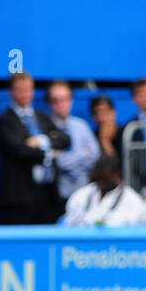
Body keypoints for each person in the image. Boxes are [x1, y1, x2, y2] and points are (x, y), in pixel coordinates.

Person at [0, 71, 71, 224]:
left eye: (28, 89)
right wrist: (49, 152)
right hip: (19, 199)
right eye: (20, 89)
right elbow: (18, 150)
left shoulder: (42, 117)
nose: (25, 94)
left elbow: (64, 140)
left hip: (48, 195)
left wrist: (41, 141)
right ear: (11, 92)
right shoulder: (3, 121)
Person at [46, 80, 98, 209]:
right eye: (55, 100)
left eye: (65, 99)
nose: (61, 104)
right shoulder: (45, 125)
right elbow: (55, 162)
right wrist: (82, 155)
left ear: (71, 100)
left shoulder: (81, 126)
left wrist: (61, 156)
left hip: (83, 193)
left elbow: (95, 157)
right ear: (50, 103)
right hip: (55, 196)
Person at [62, 155, 146, 226]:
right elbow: (69, 223)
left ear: (116, 174)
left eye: (105, 179)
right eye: (98, 179)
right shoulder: (80, 195)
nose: (101, 183)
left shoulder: (133, 200)